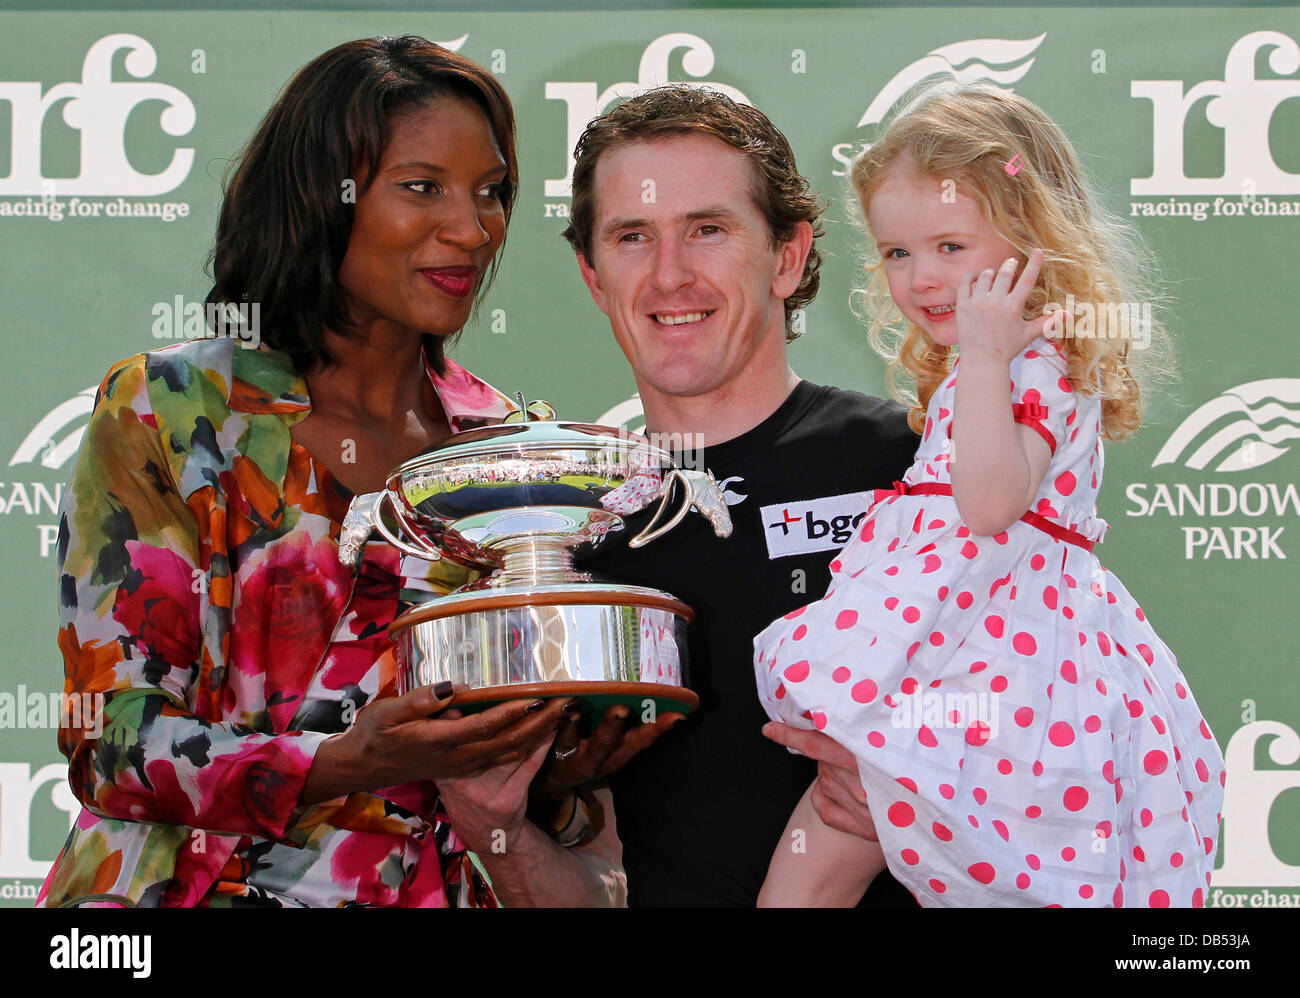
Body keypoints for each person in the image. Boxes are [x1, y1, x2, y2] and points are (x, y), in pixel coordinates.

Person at [38, 35, 626, 908]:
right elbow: (110, 742)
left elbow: (539, 811)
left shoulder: (511, 452)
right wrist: (350, 761)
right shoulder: (172, 410)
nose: (472, 228)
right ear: (324, 196)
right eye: (421, 186)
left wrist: (558, 769)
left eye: (492, 191)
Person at [753, 82, 1226, 907]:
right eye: (898, 253)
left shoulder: (1040, 364)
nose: (922, 279)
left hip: (1009, 687)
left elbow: (990, 503)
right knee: (810, 866)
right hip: (933, 664)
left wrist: (981, 360)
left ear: (1033, 240)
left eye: (950, 247)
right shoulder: (989, 369)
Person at [557, 85, 921, 906]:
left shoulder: (919, 463)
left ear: (788, 257)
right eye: (631, 237)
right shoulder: (569, 533)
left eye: (708, 230)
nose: (669, 274)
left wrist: (936, 779)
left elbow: (1057, 711)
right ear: (591, 273)